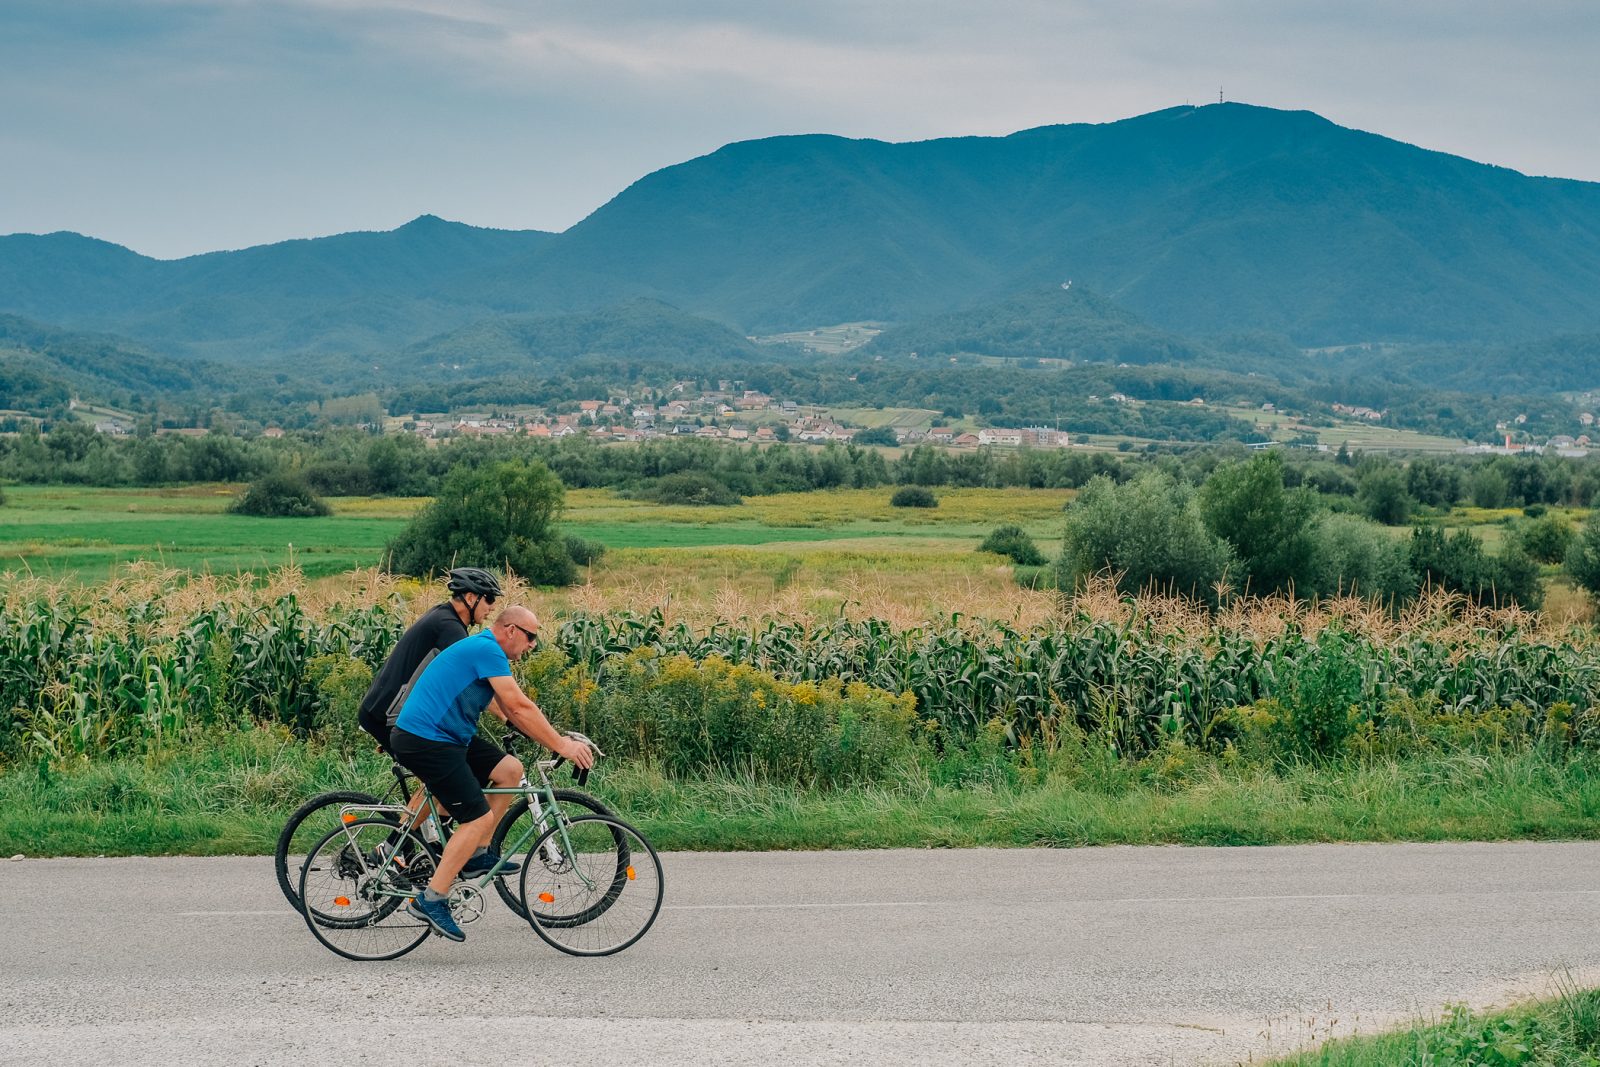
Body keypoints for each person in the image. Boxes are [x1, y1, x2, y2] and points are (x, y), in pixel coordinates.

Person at [392, 605, 594, 942]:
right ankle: (432, 898)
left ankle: (476, 855)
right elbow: (518, 704)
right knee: (478, 818)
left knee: (510, 770)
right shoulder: (488, 649)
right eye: (531, 637)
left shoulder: (483, 650)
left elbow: (505, 707)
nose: (532, 645)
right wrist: (561, 746)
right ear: (511, 630)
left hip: (447, 737)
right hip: (427, 739)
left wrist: (526, 728)